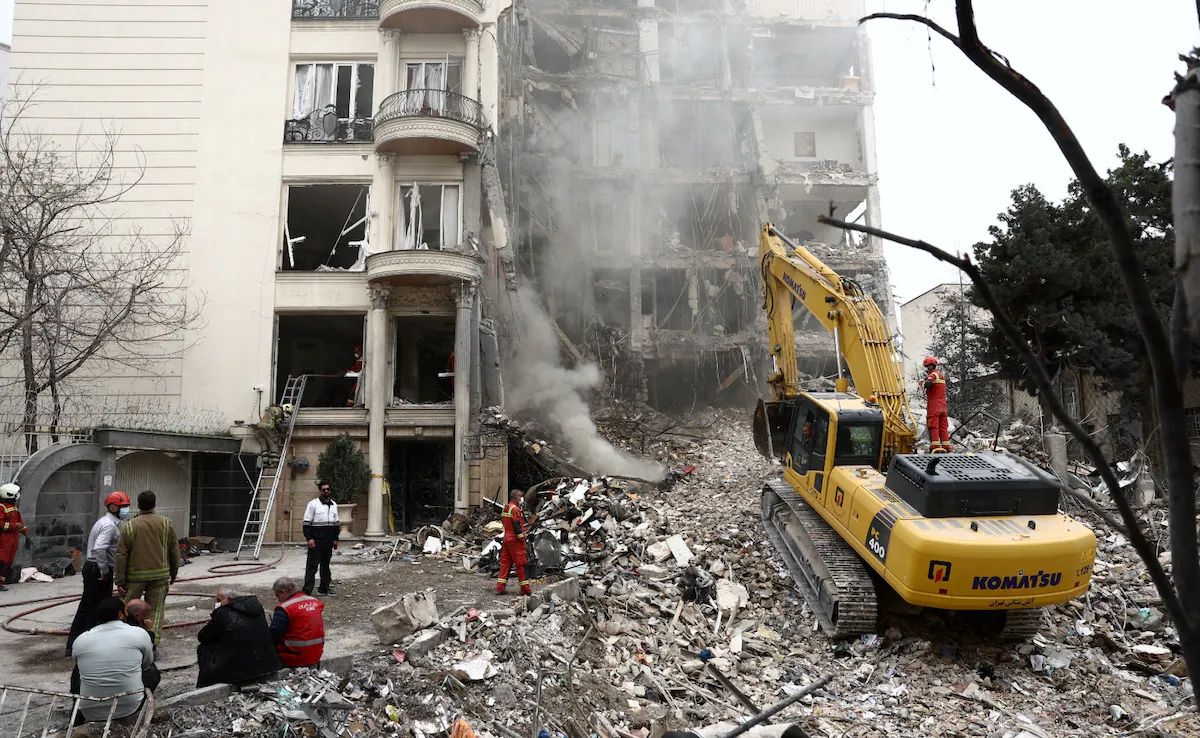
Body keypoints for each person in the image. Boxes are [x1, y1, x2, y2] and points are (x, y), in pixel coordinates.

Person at [71, 597, 154, 724]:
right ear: (120, 614)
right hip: (129, 706)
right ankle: (141, 709)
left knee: (79, 670)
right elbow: (146, 664)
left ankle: (77, 714)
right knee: (152, 671)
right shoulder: (139, 633)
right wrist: (149, 632)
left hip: (89, 710)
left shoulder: (80, 640)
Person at [67, 491, 130, 653]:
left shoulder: (109, 522)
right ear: (113, 507)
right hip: (98, 569)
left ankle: (74, 643)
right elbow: (100, 548)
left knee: (87, 606)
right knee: (97, 608)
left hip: (94, 568)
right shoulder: (109, 526)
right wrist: (104, 570)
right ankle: (89, 645)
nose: (126, 510)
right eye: (123, 507)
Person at [115, 490, 180, 645]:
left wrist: (119, 580)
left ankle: (126, 641)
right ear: (154, 505)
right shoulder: (166, 523)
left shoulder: (129, 526)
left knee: (128, 609)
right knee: (155, 610)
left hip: (134, 576)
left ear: (138, 505)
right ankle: (152, 642)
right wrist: (173, 572)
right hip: (160, 575)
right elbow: (174, 550)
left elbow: (121, 555)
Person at [196, 585, 282, 688]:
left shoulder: (224, 614)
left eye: (219, 600)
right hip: (266, 665)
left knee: (204, 648)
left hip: (238, 671)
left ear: (228, 599)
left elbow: (203, 636)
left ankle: (207, 682)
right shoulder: (256, 608)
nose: (217, 603)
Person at [269, 576, 326, 668]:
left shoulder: (285, 608)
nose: (278, 600)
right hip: (315, 654)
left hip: (294, 658)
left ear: (283, 592)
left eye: (277, 596)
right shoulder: (314, 602)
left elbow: (274, 636)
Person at [302, 481, 340, 597]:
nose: (326, 491)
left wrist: (335, 539)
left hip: (328, 542)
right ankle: (307, 591)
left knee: (326, 566)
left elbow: (336, 524)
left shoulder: (334, 505)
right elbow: (306, 523)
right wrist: (309, 538)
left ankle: (324, 588)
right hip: (316, 542)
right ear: (320, 491)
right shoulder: (313, 504)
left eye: (328, 489)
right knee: (312, 567)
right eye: (324, 490)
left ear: (330, 490)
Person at [497, 489, 534, 596]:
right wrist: (522, 538)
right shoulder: (516, 510)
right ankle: (525, 588)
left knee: (505, 564)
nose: (522, 499)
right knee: (521, 564)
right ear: (516, 497)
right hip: (515, 541)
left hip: (507, 539)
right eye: (520, 496)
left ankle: (500, 587)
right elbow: (517, 526)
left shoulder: (506, 508)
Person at [0, 483, 31, 591]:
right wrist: (14, 526)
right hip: (4, 539)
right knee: (2, 561)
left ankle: (1, 582)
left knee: (8, 562)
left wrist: (26, 533)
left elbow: (20, 522)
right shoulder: (1, 508)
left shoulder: (14, 508)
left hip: (13, 540)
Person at [921, 356, 951, 453]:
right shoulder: (941, 375)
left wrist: (921, 383)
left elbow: (928, 385)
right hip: (943, 405)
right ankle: (946, 446)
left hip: (934, 405)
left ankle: (935, 446)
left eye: (927, 367)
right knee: (943, 427)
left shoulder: (933, 375)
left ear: (929, 366)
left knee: (933, 425)